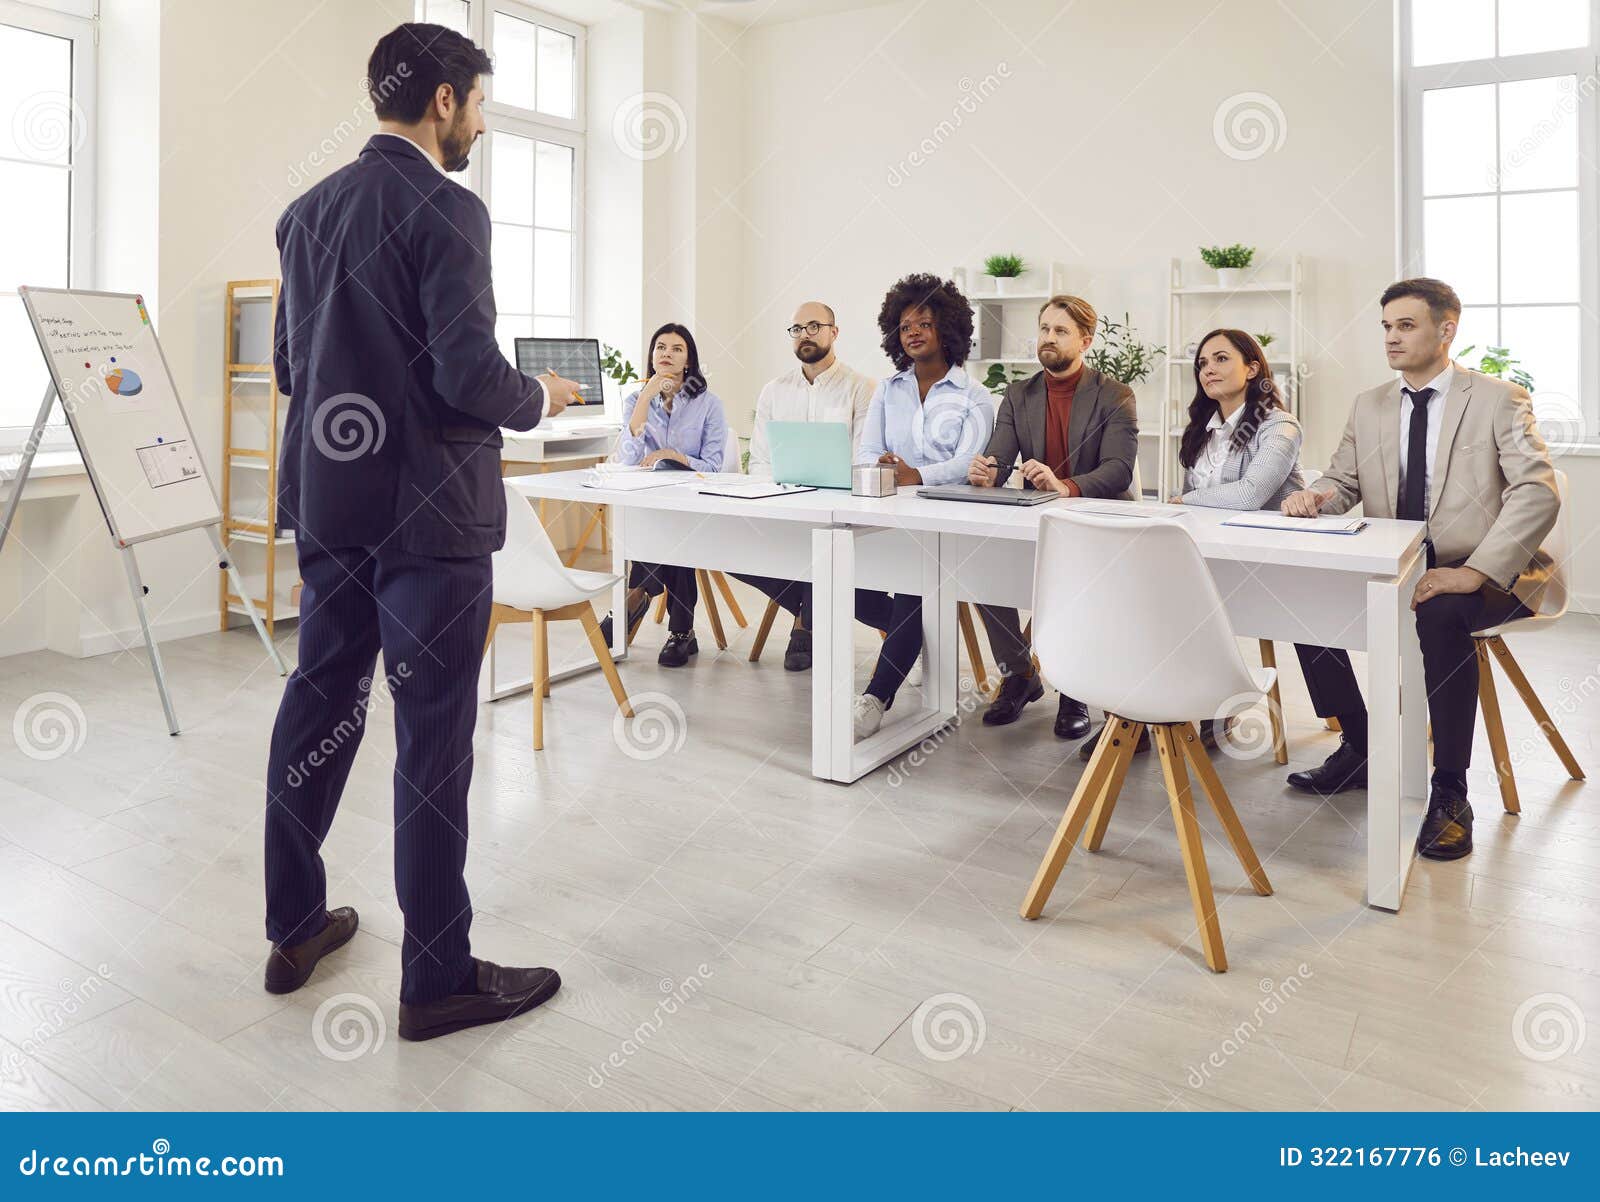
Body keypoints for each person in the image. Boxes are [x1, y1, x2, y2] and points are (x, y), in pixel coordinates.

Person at [265, 23, 581, 1041]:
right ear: (441, 100)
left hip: (329, 505)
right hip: (430, 522)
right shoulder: (449, 210)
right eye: (480, 104)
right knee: (433, 740)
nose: (480, 123)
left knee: (321, 707)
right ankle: (437, 973)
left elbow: (288, 370)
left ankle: (295, 921)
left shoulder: (305, 214)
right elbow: (465, 377)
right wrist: (542, 392)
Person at [1280, 278, 1559, 861]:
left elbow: (1537, 492)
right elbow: (1344, 481)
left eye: (1406, 325)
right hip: (1398, 561)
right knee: (1301, 599)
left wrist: (1477, 571)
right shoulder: (1370, 404)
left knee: (1439, 613)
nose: (1392, 337)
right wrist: (1317, 497)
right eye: (1386, 326)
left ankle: (1450, 793)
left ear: (1446, 329)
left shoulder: (1497, 399)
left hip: (1484, 571)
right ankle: (1360, 745)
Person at [1079, 329, 1303, 762]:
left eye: (1220, 359)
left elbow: (1250, 494)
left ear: (1252, 368)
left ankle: (1197, 706)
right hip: (1202, 554)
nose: (1208, 370)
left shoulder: (1280, 425)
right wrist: (1181, 507)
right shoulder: (1205, 429)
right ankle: (1134, 715)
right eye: (1202, 363)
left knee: (1167, 600)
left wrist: (1183, 500)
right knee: (1133, 594)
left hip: (1259, 565)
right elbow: (1192, 512)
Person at [965, 295, 1138, 738]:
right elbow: (1000, 460)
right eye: (1044, 328)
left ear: (1085, 340)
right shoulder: (1018, 395)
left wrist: (1066, 486)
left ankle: (1073, 689)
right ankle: (1020, 675)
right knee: (982, 570)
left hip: (1098, 522)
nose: (1048, 338)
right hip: (1038, 518)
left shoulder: (1115, 395)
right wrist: (986, 472)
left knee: (1071, 579)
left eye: (1060, 331)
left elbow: (1118, 469)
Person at [853, 273, 995, 738]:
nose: (912, 332)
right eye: (905, 325)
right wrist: (880, 462)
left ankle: (875, 697)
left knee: (917, 583)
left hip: (948, 522)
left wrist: (916, 474)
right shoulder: (886, 390)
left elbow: (970, 463)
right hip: (888, 514)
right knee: (831, 571)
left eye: (924, 324)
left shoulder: (974, 396)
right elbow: (864, 451)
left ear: (947, 330)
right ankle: (908, 639)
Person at [735, 301, 875, 671]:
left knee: (822, 541)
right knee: (727, 546)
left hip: (839, 512)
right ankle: (808, 609)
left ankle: (805, 626)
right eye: (797, 329)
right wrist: (778, 497)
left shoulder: (861, 388)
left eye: (814, 326)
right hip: (784, 505)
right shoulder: (774, 390)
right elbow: (761, 462)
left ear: (834, 332)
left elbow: (863, 460)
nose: (805, 335)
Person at [597, 322, 729, 667]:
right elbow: (628, 458)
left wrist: (674, 457)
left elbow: (714, 466)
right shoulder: (635, 400)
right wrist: (644, 397)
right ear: (652, 356)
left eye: (676, 349)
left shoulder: (709, 405)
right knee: (666, 525)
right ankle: (682, 632)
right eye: (660, 347)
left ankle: (633, 597)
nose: (666, 354)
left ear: (689, 360)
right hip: (651, 505)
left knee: (674, 526)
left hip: (696, 506)